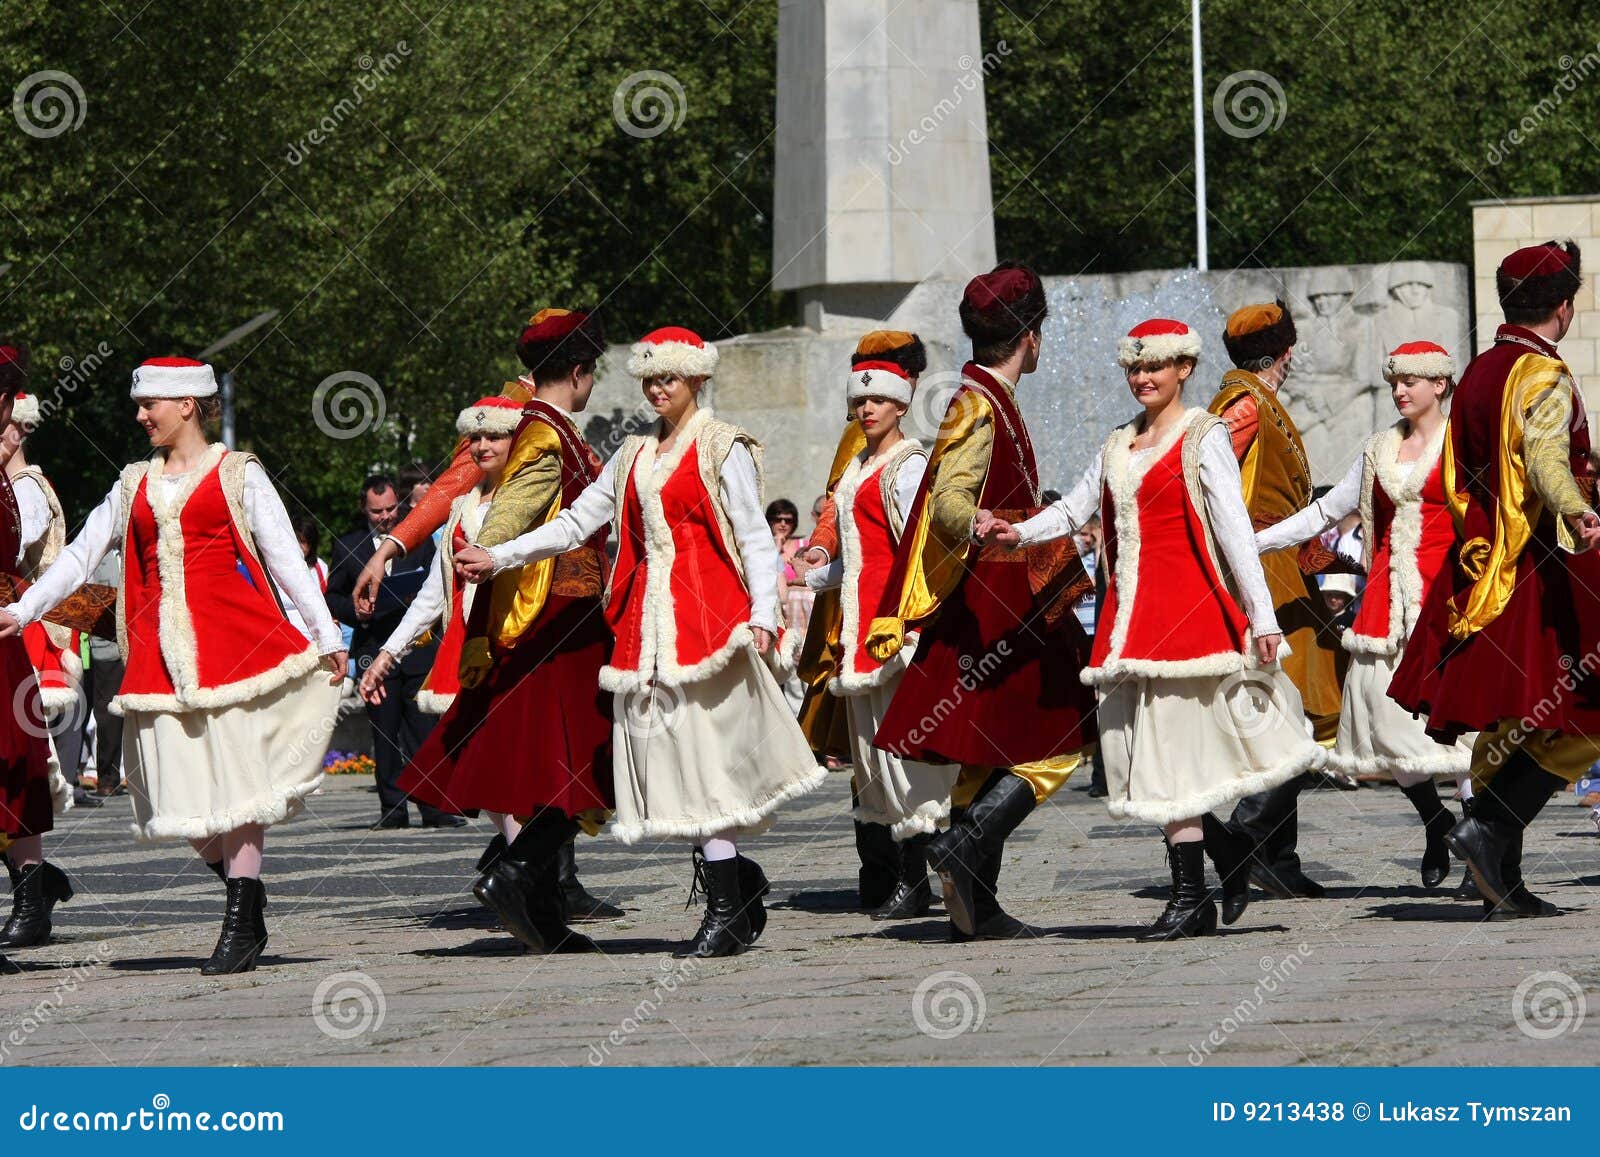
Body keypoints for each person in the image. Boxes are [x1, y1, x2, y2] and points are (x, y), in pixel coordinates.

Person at [457, 325, 823, 957]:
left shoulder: (722, 445)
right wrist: (498, 554)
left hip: (710, 625)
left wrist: (765, 612)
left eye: (668, 378)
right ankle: (736, 892)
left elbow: (753, 536)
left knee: (707, 759)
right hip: (645, 628)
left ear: (697, 378)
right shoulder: (631, 453)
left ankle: (727, 905)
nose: (657, 389)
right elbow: (576, 521)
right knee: (674, 761)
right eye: (649, 379)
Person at [978, 319, 1323, 939]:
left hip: (1189, 620)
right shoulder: (1119, 442)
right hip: (1131, 624)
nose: (1142, 378)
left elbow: (1234, 530)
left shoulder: (1204, 435)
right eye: (1134, 368)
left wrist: (1263, 615)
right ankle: (1223, 859)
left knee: (1172, 761)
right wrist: (1017, 531)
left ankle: (1191, 897)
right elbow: (1075, 507)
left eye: (1155, 367)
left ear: (1184, 369)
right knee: (1155, 759)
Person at [1, 356, 347, 973]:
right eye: (139, 405)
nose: (140, 416)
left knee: (240, 791)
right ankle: (247, 893)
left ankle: (240, 917)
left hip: (237, 652)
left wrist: (326, 634)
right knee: (172, 797)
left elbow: (284, 560)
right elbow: (80, 556)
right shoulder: (133, 481)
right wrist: (24, 609)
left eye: (149, 404)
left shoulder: (238, 473)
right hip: (156, 662)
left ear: (187, 405)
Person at [866, 263, 1098, 941]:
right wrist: (983, 523)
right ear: (1031, 336)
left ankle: (977, 906)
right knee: (1061, 737)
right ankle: (963, 845)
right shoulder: (977, 404)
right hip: (1003, 599)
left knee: (986, 754)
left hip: (995, 596)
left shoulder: (984, 395)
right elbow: (948, 504)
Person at [1391, 241, 1600, 920]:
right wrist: (1579, 509)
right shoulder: (1540, 372)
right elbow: (1544, 458)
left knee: (1507, 726)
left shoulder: (1482, 369)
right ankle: (1491, 827)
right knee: (1588, 711)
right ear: (1564, 306)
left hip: (1474, 566)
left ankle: (1498, 878)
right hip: (1529, 569)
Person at [1253, 341, 1476, 890]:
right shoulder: (1379, 449)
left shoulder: (1465, 443)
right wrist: (1253, 541)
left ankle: (1479, 853)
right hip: (1384, 607)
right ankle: (1436, 820)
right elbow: (1325, 512)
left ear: (1440, 385)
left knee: (1462, 733)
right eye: (1394, 382)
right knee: (1385, 720)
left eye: (1410, 382)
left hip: (1446, 603)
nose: (1399, 391)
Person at [793, 346, 957, 919]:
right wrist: (814, 575)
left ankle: (923, 880)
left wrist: (912, 628)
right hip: (858, 638)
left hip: (894, 635)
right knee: (872, 763)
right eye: (860, 401)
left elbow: (921, 555)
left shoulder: (907, 466)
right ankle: (910, 879)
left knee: (904, 760)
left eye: (880, 400)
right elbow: (861, 560)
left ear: (902, 405)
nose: (867, 409)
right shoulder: (858, 468)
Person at [1206, 299, 1342, 900]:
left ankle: (1276, 855)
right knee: (1305, 707)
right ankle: (1244, 837)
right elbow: (1208, 484)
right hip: (1263, 567)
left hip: (1281, 563)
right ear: (1285, 351)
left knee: (1292, 706)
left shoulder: (1251, 399)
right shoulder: (1241, 405)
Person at [325, 475, 460, 829]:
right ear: (364, 509)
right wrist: (356, 611)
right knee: (384, 734)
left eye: (390, 509)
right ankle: (393, 810)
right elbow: (333, 596)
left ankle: (434, 807)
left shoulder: (416, 539)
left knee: (424, 730)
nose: (385, 517)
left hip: (416, 649)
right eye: (377, 512)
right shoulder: (347, 545)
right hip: (372, 650)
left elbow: (437, 582)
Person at [0, 348, 72, 952]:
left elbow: (25, 567)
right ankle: (35, 884)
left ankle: (33, 890)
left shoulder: (25, 486)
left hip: (19, 624)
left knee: (19, 764)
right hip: (19, 621)